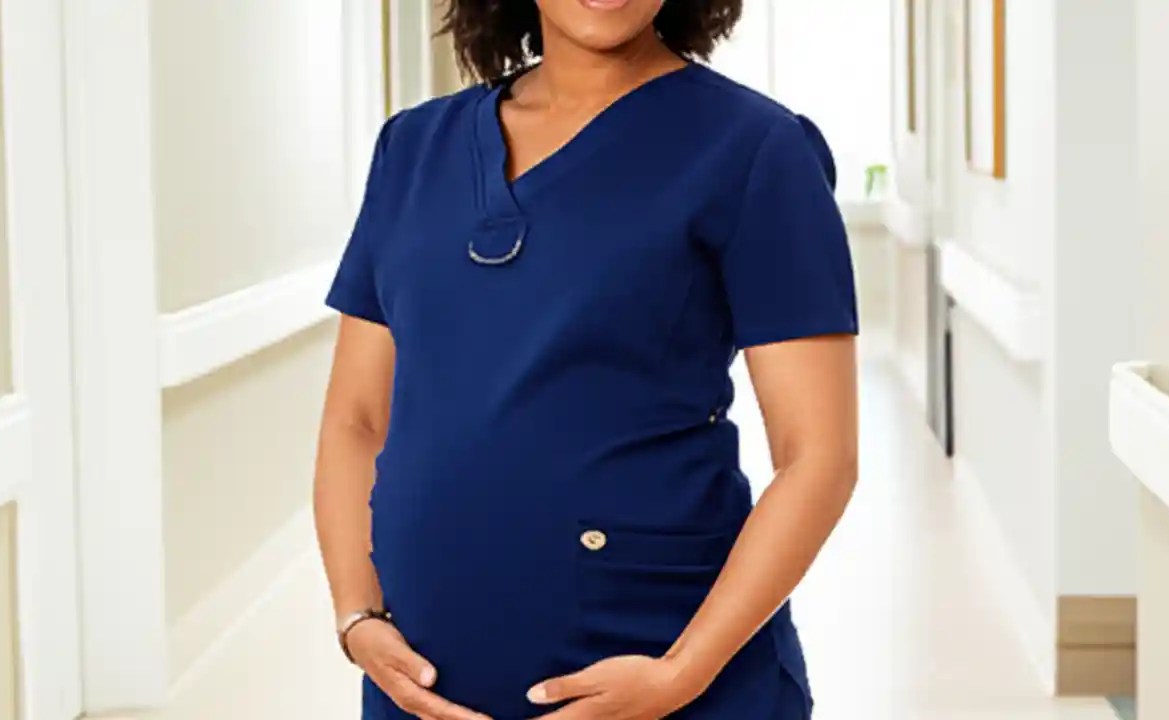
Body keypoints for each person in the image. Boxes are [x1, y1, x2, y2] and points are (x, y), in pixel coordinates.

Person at [314, 1, 859, 717]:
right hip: (420, 688)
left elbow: (818, 457)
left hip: (663, 665)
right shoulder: (413, 149)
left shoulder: (755, 148)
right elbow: (356, 420)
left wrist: (680, 675)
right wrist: (357, 617)